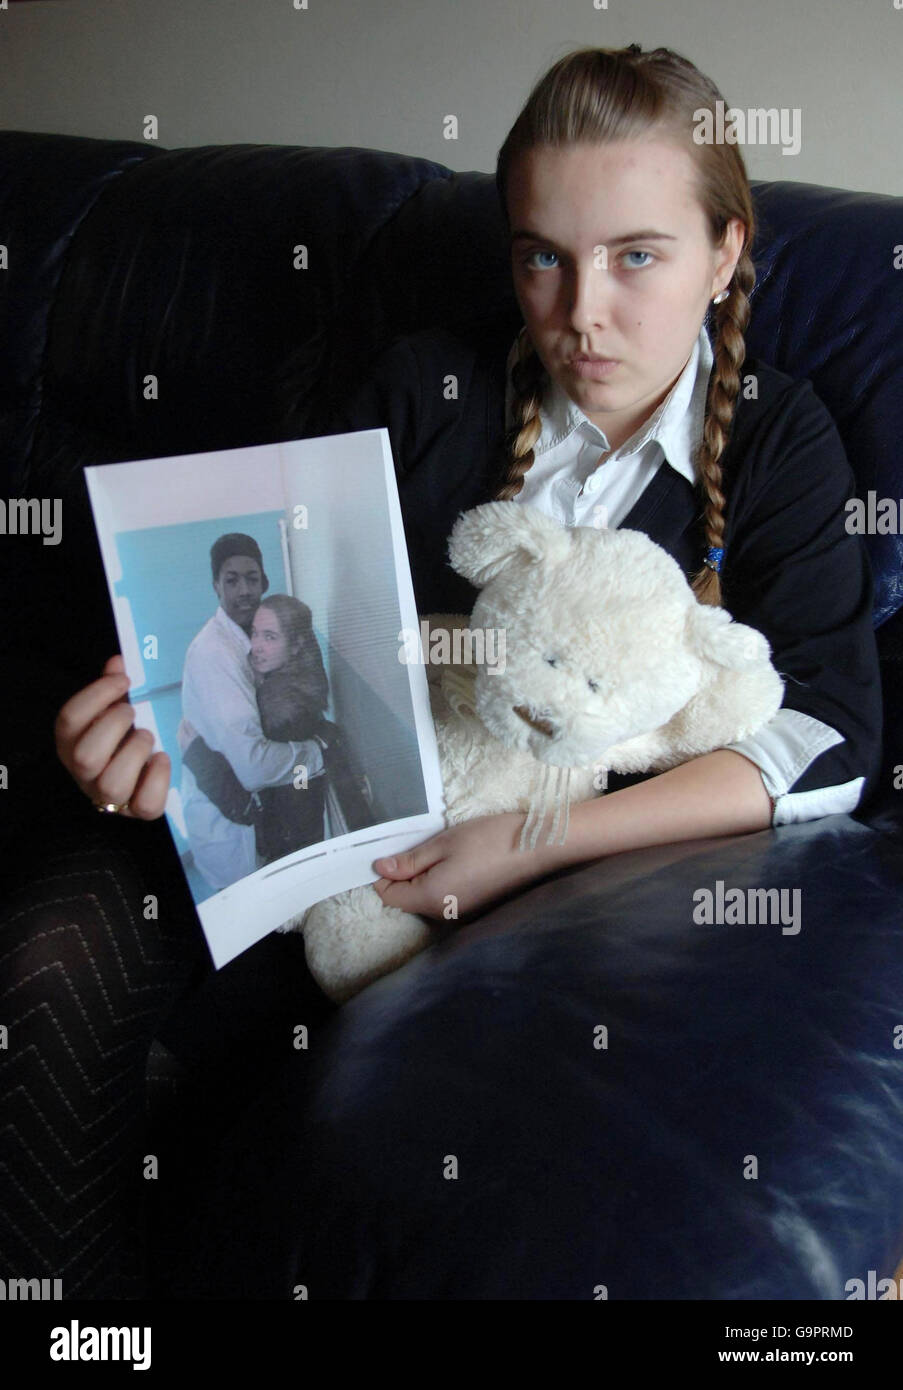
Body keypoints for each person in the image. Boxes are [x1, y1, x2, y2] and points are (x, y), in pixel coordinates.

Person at [56, 43, 882, 928]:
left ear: (723, 256)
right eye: (543, 258)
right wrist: (148, 754)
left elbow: (827, 734)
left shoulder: (777, 439)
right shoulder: (423, 387)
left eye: (635, 257)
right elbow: (283, 623)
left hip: (583, 902)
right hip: (338, 851)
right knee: (53, 945)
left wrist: (541, 837)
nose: (581, 314)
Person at [177, 532, 326, 891]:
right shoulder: (214, 653)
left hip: (251, 810)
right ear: (216, 586)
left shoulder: (263, 634)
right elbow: (254, 768)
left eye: (251, 578)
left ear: (264, 583)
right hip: (230, 836)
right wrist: (319, 753)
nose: (243, 589)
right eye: (231, 580)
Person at [182, 593, 376, 864]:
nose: (256, 646)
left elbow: (253, 810)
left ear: (295, 646)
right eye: (255, 634)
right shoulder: (288, 692)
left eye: (270, 637)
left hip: (290, 854)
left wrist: (196, 755)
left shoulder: (285, 718)